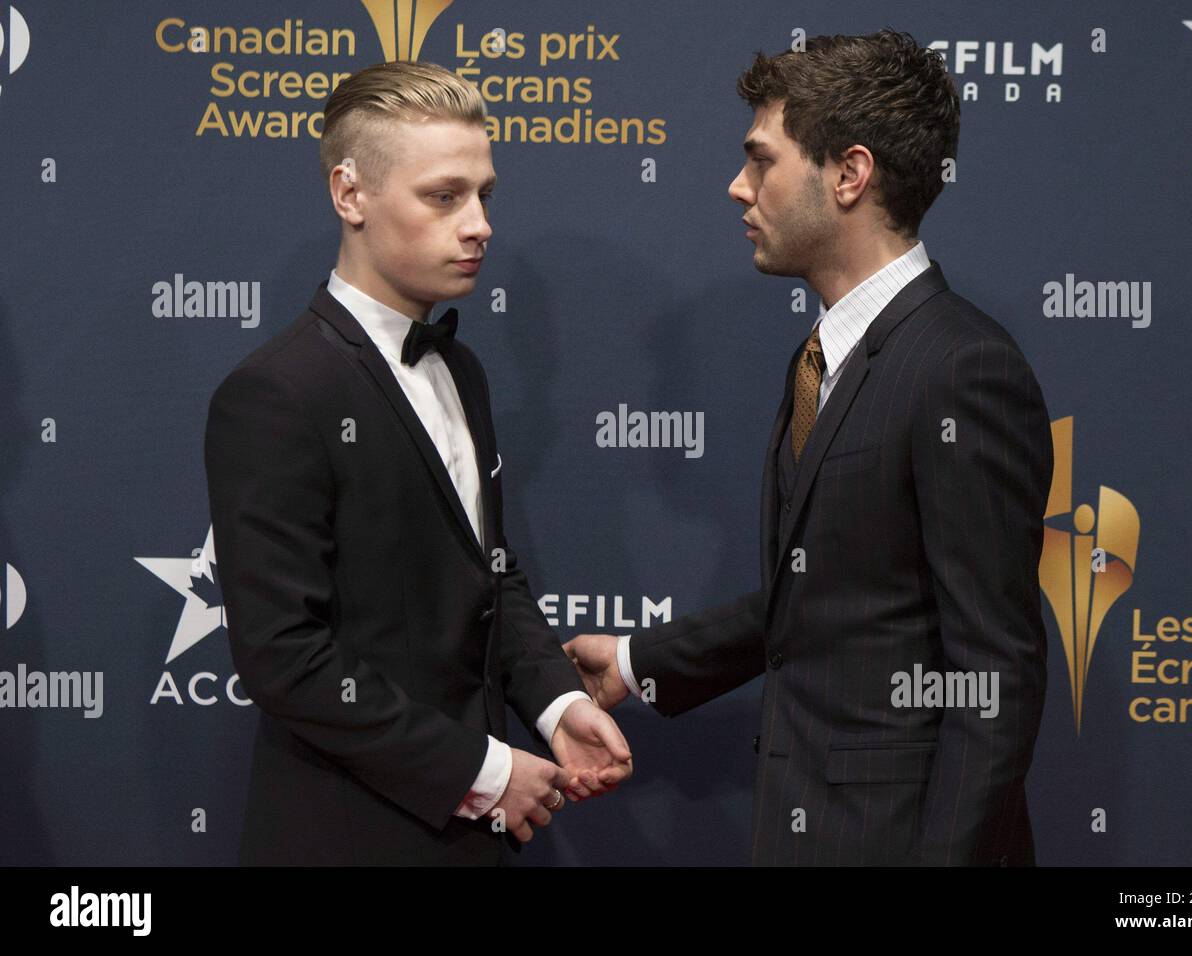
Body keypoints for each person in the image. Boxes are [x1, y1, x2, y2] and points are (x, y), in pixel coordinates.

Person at [565, 32, 1053, 866]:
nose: (738, 186)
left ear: (849, 174)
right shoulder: (822, 358)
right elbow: (836, 597)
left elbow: (994, 675)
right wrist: (641, 660)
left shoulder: (961, 368)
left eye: (761, 160)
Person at [204, 60, 630, 866]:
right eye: (444, 197)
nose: (479, 225)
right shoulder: (273, 394)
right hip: (347, 836)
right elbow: (284, 656)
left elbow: (487, 577)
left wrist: (555, 702)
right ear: (350, 195)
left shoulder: (462, 372)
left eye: (484, 195)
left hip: (477, 835)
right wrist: (485, 769)